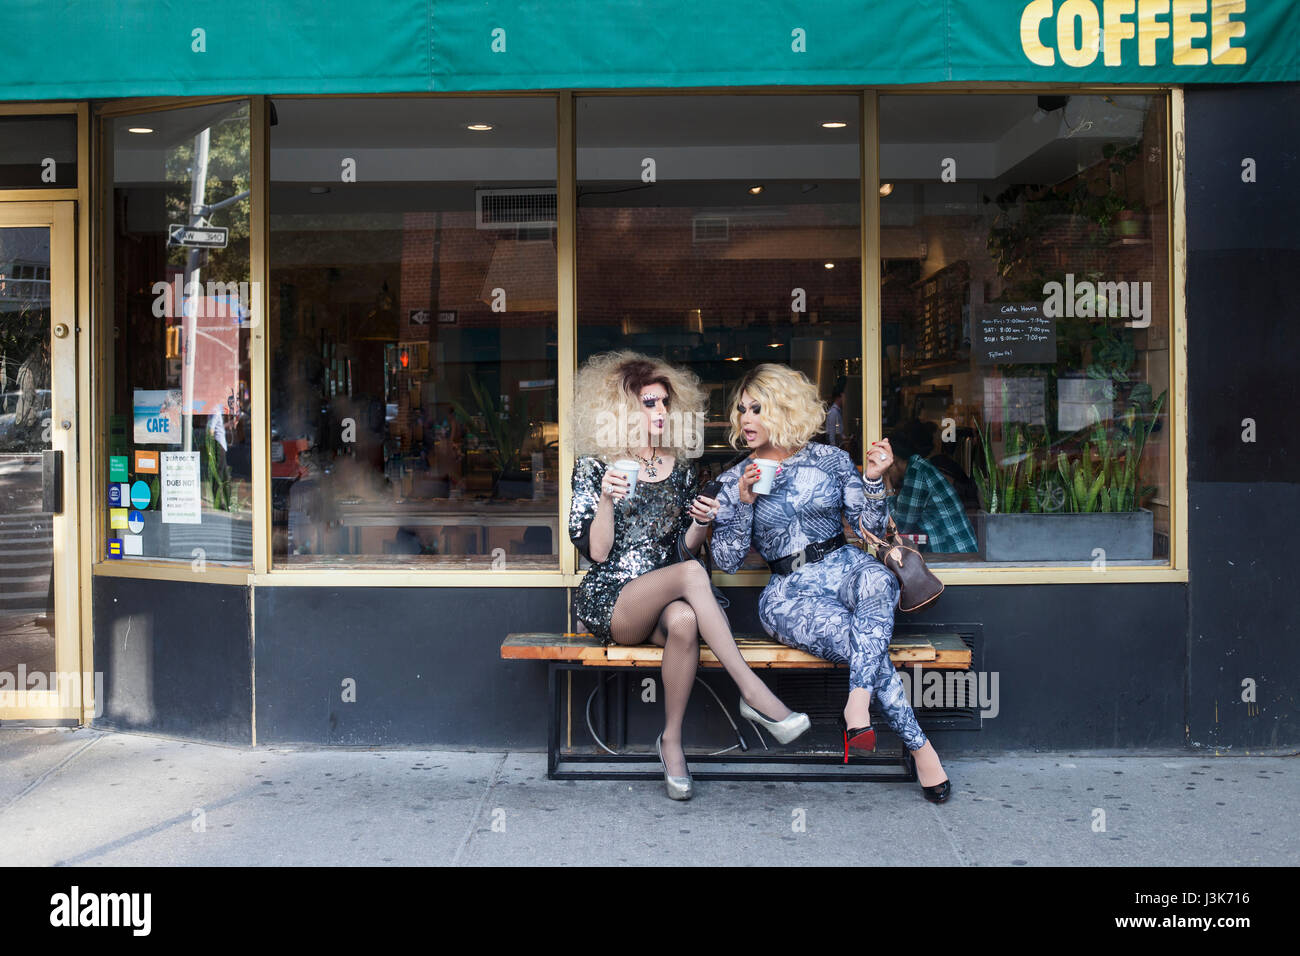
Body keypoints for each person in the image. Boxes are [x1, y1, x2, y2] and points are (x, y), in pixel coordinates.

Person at [568, 351, 810, 801]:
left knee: (684, 621)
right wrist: (605, 499)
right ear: (622, 410)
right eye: (649, 403)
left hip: (668, 593)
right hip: (615, 598)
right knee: (689, 576)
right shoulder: (595, 466)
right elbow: (597, 554)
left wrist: (702, 521)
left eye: (664, 402)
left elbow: (682, 550)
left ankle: (672, 742)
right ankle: (751, 690)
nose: (661, 411)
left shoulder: (679, 471)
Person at [710, 363, 951, 802]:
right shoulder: (734, 479)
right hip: (787, 590)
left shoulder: (831, 460)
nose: (746, 419)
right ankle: (921, 748)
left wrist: (874, 481)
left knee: (879, 580)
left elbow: (869, 530)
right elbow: (724, 560)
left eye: (758, 408)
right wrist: (743, 503)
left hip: (842, 563)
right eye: (742, 409)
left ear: (785, 409)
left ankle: (857, 702)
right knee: (865, 644)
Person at [883, 427, 977, 553]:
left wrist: (887, 485)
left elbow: (900, 526)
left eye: (885, 469)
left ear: (892, 462)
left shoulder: (917, 473)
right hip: (957, 550)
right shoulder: (918, 467)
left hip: (955, 553)